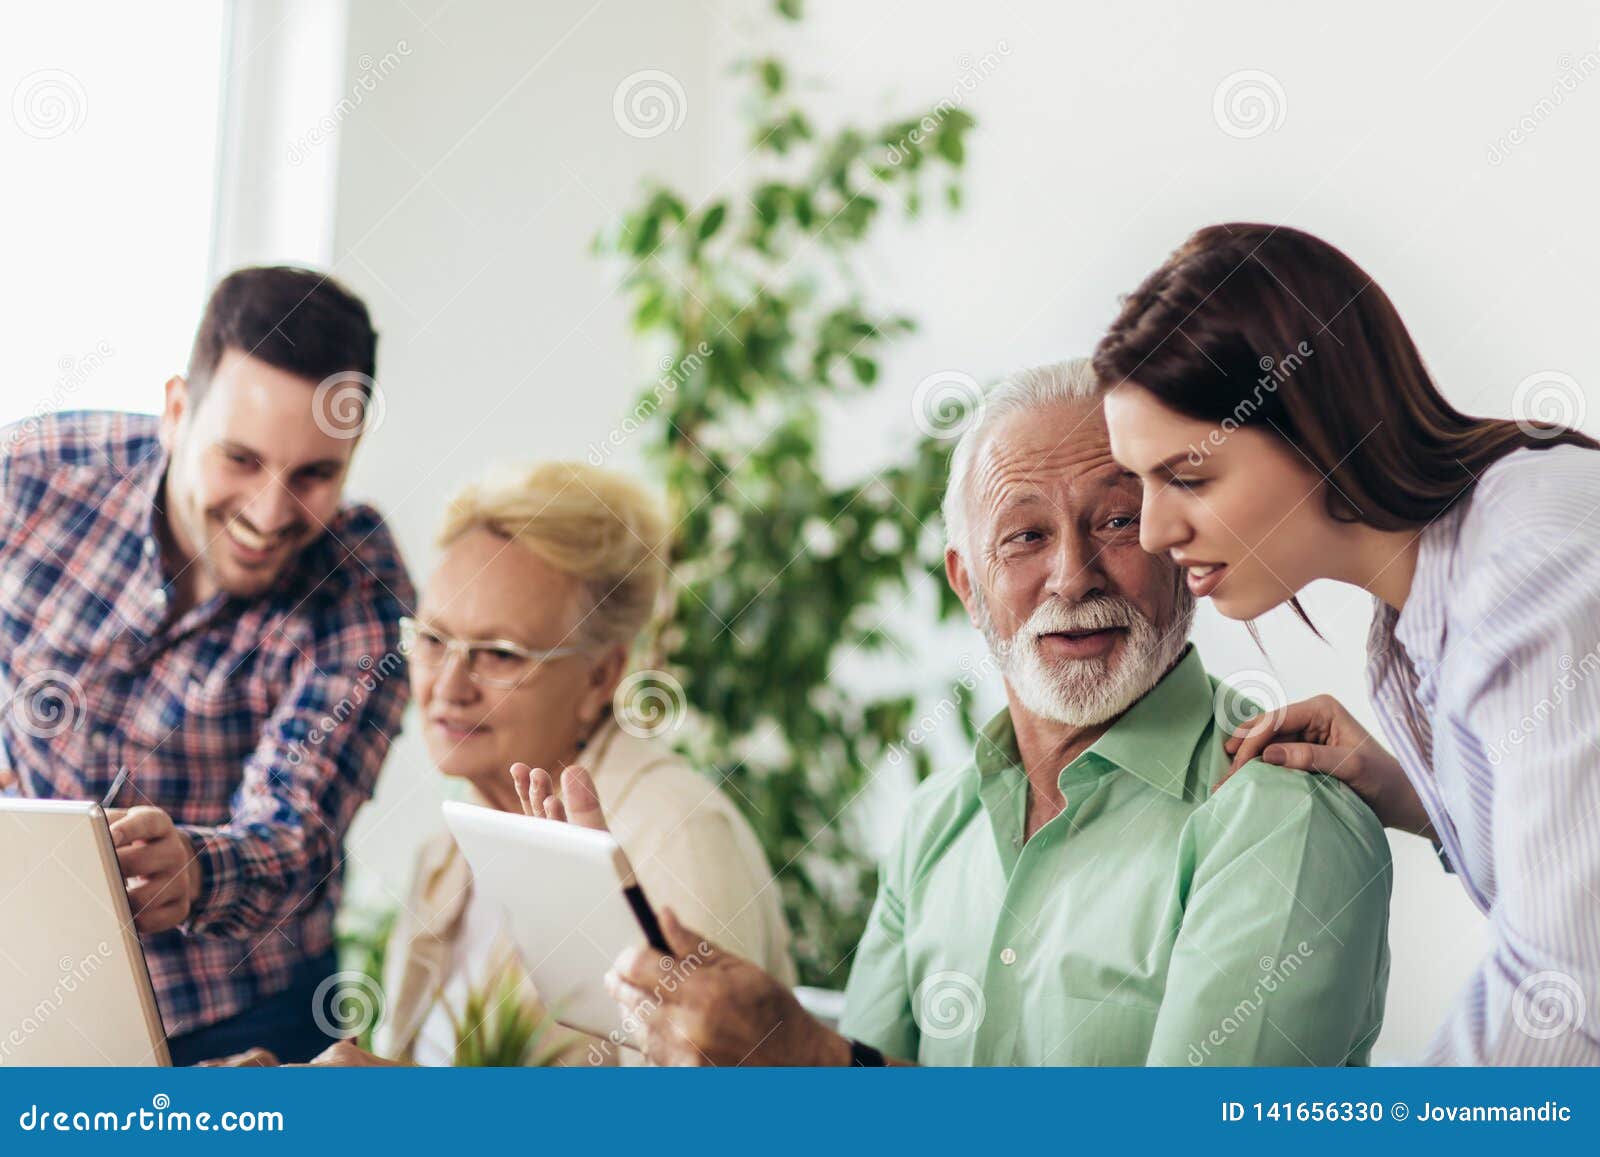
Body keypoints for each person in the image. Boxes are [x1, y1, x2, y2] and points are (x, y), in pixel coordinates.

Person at [529, 360, 1393, 1066]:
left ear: (1176, 541)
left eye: (1118, 521)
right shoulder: (936, 824)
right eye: (1025, 535)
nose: (1073, 576)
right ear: (965, 581)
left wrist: (812, 1066)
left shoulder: (1281, 813)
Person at [1095, 222, 1600, 1065]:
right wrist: (1419, 795)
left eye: (1188, 477)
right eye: (1137, 484)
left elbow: (1563, 985)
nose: (1152, 531)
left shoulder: (1529, 563)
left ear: (1320, 426)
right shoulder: (1413, 625)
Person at [0, 267, 413, 1065]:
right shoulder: (31, 476)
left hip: (240, 1013)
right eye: (240, 459)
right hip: (28, 974)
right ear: (177, 411)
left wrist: (192, 865)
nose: (268, 512)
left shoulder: (358, 592)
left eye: (314, 475)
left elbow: (295, 830)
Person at [280, 462, 794, 1068]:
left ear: (601, 675)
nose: (448, 685)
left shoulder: (676, 836)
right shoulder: (450, 853)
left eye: (500, 654)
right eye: (433, 639)